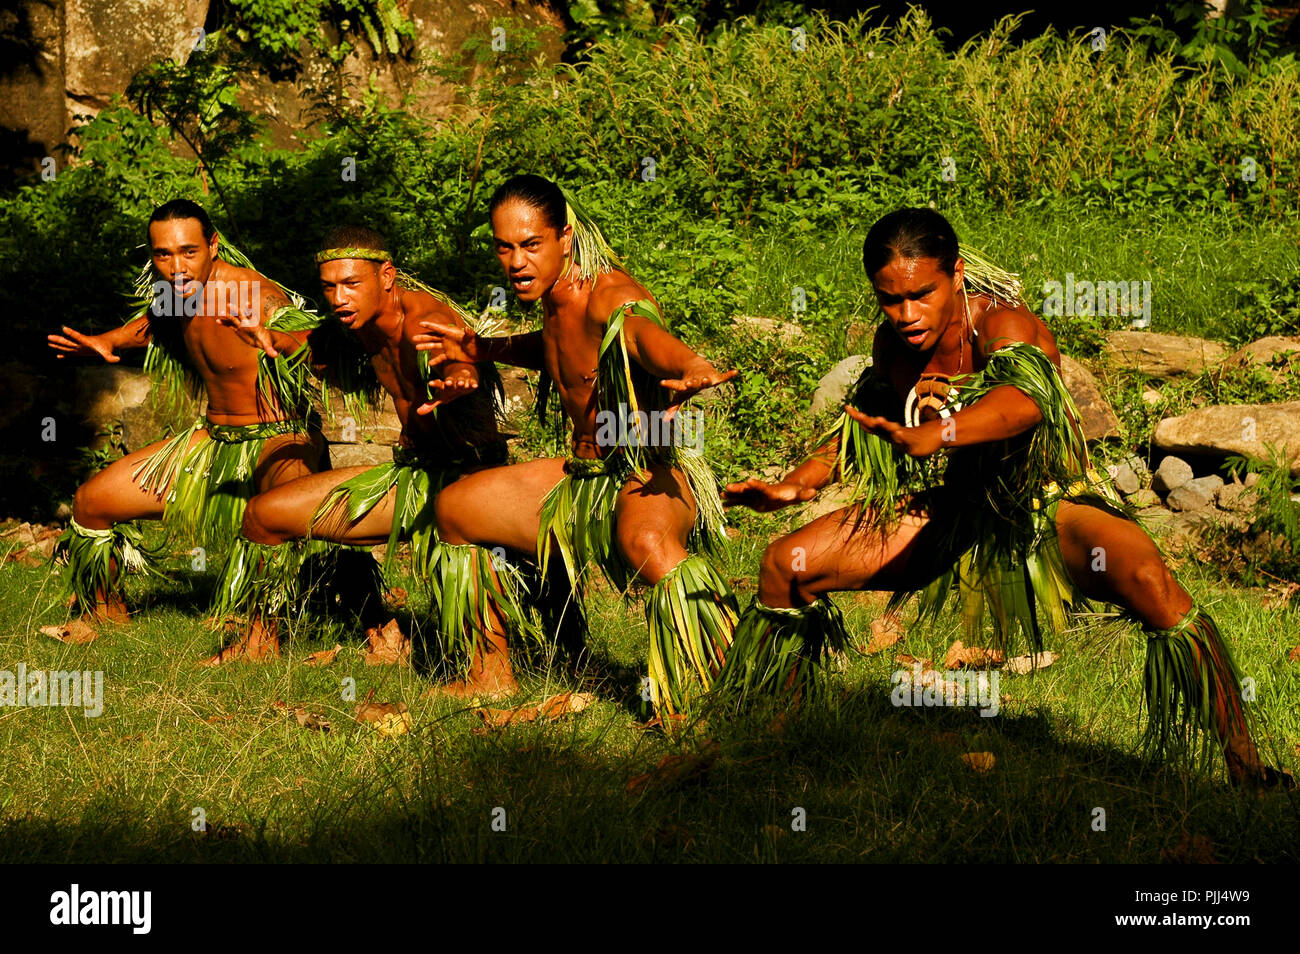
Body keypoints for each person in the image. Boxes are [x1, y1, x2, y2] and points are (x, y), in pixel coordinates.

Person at [721, 207, 1286, 787]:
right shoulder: (893, 346)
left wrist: (939, 431)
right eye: (890, 300)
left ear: (957, 274)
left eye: (922, 294)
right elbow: (863, 421)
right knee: (784, 565)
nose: (907, 315)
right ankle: (776, 747)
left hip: (1046, 506)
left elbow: (1024, 401)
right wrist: (799, 481)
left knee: (1150, 583)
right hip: (960, 511)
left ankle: (1245, 764)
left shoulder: (1002, 325)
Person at [415, 174, 738, 714]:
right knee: (456, 508)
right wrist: (483, 347)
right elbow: (562, 354)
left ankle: (734, 679)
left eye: (531, 245)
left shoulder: (610, 295)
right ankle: (488, 674)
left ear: (564, 237)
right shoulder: (555, 293)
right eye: (504, 247)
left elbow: (642, 335)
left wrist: (692, 364)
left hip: (643, 470)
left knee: (648, 548)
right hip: (582, 474)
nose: (516, 262)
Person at [213, 225, 511, 666]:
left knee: (469, 552)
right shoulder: (358, 323)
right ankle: (258, 645)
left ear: (386, 276)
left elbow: (453, 344)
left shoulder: (423, 315)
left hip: (469, 483)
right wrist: (268, 337)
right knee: (263, 515)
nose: (338, 298)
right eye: (329, 287)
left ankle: (493, 668)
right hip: (412, 477)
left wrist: (462, 376)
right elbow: (312, 346)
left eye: (351, 284)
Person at [44, 199, 323, 643]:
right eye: (163, 254)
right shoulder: (175, 293)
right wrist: (107, 340)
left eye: (188, 251)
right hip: (213, 441)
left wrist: (280, 337)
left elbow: (317, 341)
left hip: (277, 439)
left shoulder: (254, 292)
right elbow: (153, 323)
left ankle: (263, 638)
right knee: (92, 502)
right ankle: (104, 620)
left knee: (284, 526)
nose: (175, 266)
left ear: (213, 245)